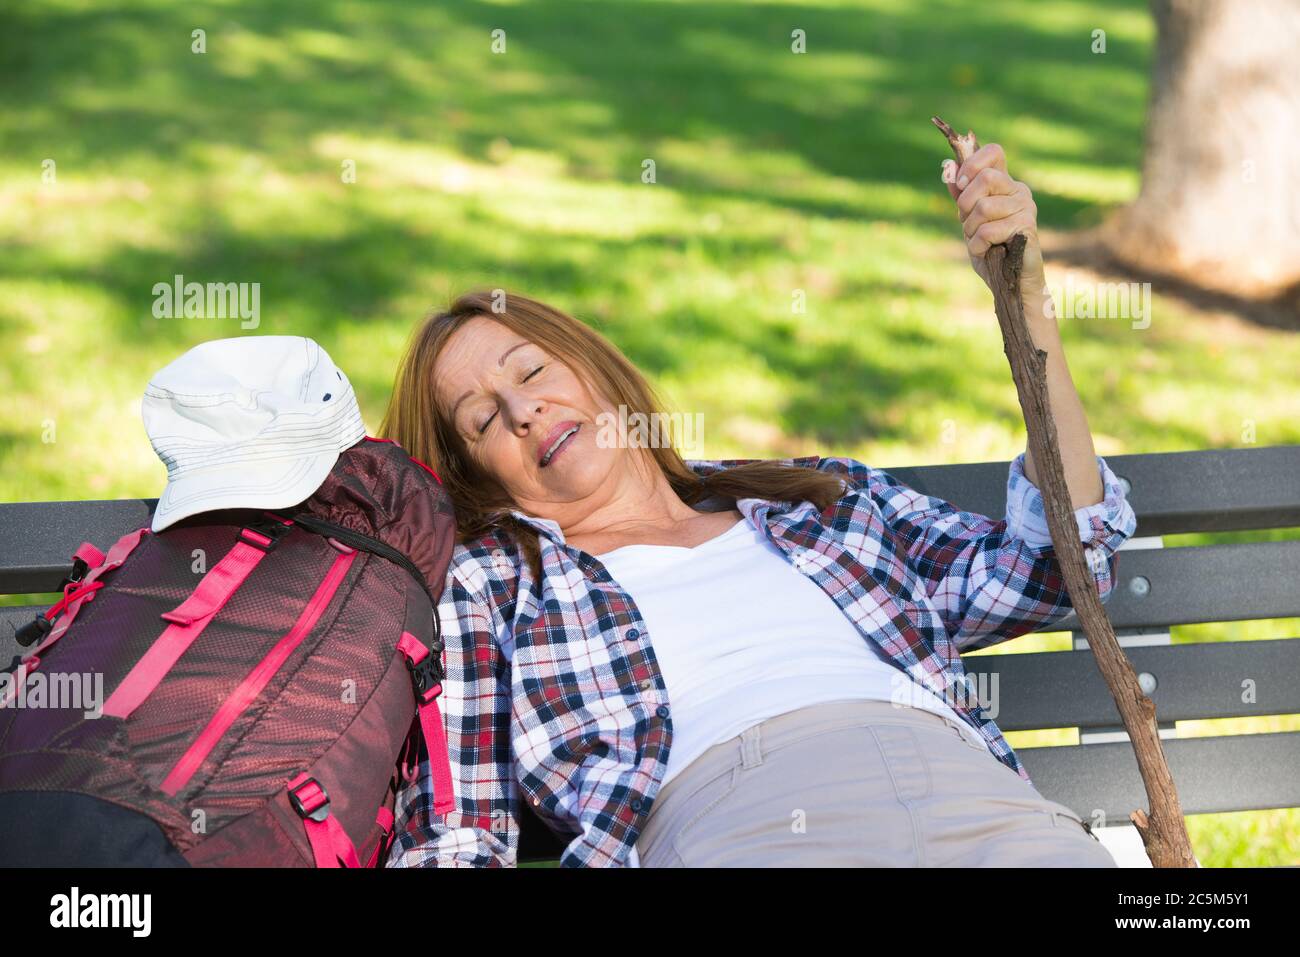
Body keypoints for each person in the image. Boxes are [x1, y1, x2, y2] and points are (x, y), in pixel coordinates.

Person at [381, 143, 1135, 867]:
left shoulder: (812, 498)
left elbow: (1051, 566)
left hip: (973, 796)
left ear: (590, 363)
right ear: (477, 480)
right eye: (483, 421)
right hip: (741, 818)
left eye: (533, 369)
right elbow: (457, 829)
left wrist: (1026, 300)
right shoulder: (494, 587)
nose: (523, 409)